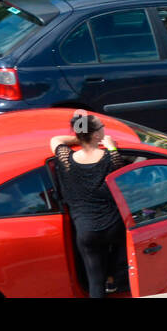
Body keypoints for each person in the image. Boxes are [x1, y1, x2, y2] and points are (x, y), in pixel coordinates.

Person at [49, 111, 130, 298]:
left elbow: (56, 140)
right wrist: (110, 147)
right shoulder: (111, 159)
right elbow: (124, 177)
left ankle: (106, 280)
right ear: (96, 135)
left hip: (86, 232)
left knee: (95, 280)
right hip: (114, 227)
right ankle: (113, 276)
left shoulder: (67, 160)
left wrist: (79, 138)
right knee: (126, 242)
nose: (104, 129)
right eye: (102, 127)